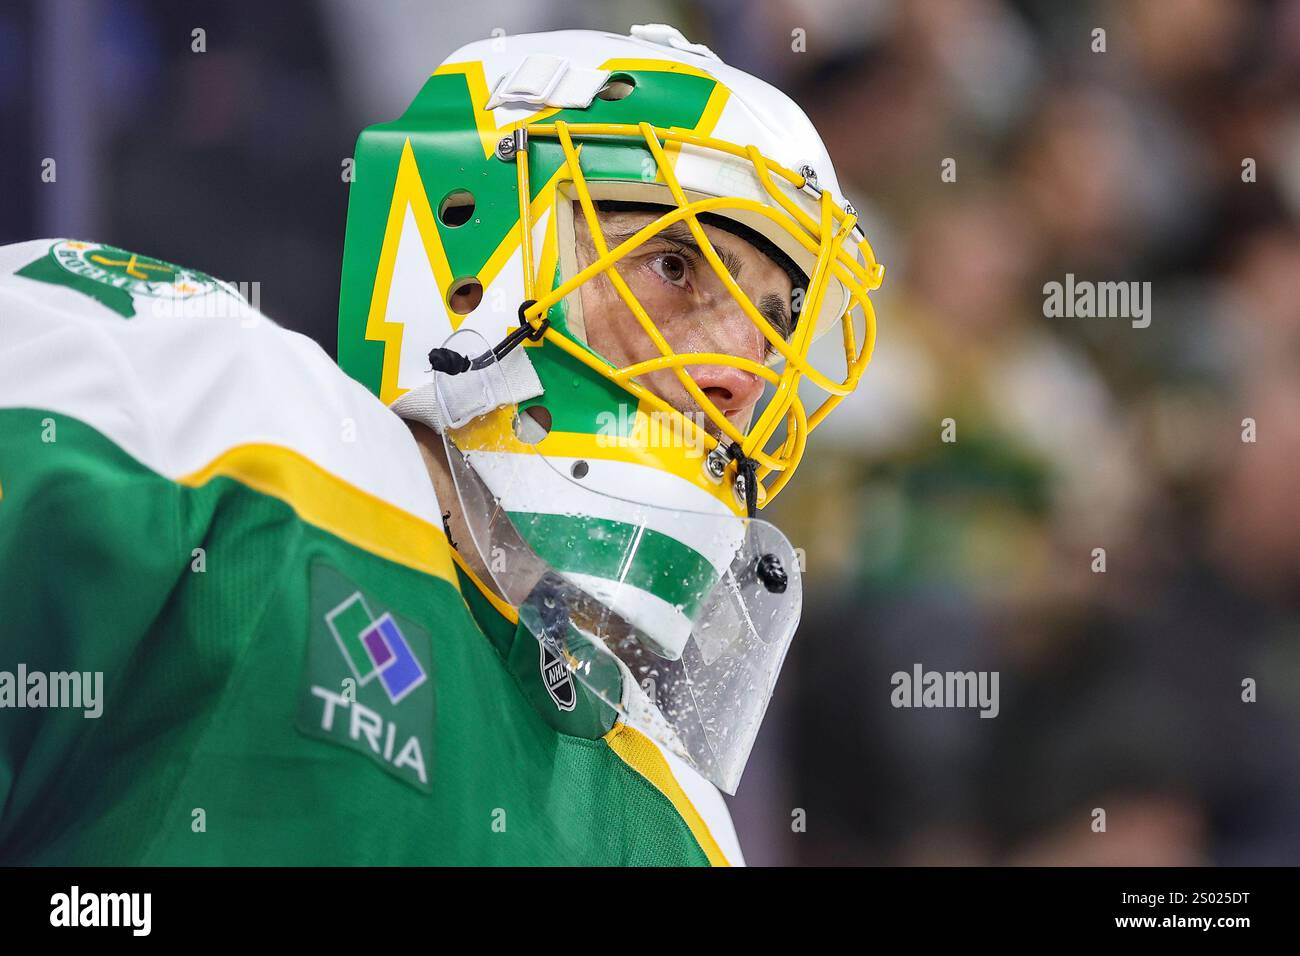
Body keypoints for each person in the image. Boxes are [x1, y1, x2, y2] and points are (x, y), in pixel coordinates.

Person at [0, 24, 882, 865]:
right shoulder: (199, 402)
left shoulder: (675, 824)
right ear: (469, 251)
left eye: (775, 326)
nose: (742, 374)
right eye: (675, 264)